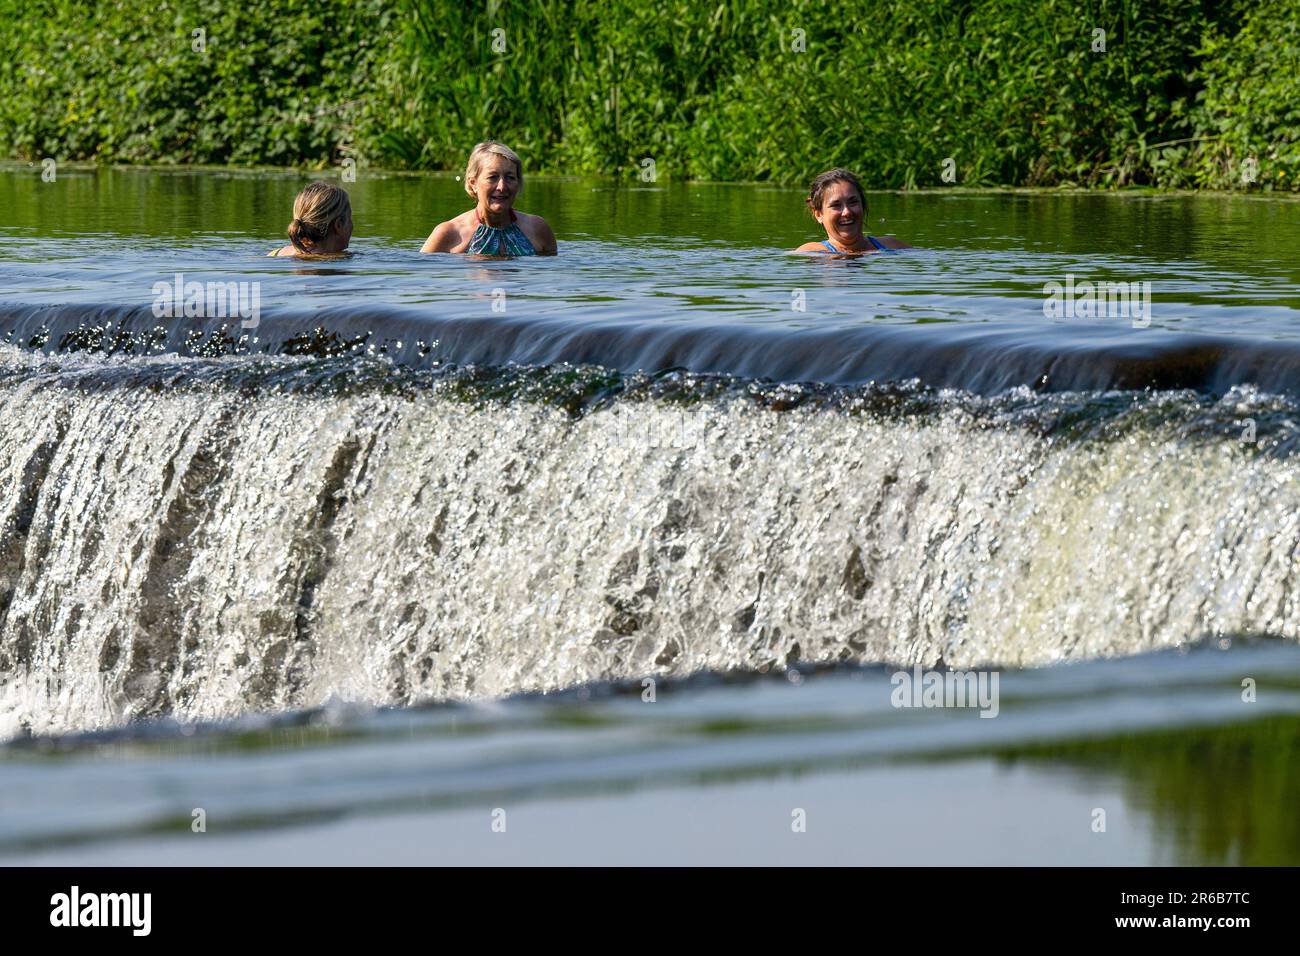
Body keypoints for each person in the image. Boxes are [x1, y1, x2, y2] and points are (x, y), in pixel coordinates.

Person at [421, 141, 557, 256]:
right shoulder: (449, 233)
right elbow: (421, 280)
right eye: (492, 177)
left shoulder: (538, 229)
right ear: (473, 183)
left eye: (510, 178)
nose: (502, 187)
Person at [793, 168, 910, 255]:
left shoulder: (893, 246)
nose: (847, 212)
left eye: (853, 202)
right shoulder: (812, 252)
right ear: (818, 214)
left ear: (863, 206)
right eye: (836, 205)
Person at [268, 181, 353, 257]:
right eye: (349, 219)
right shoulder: (337, 259)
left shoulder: (276, 253)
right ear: (339, 225)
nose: (352, 225)